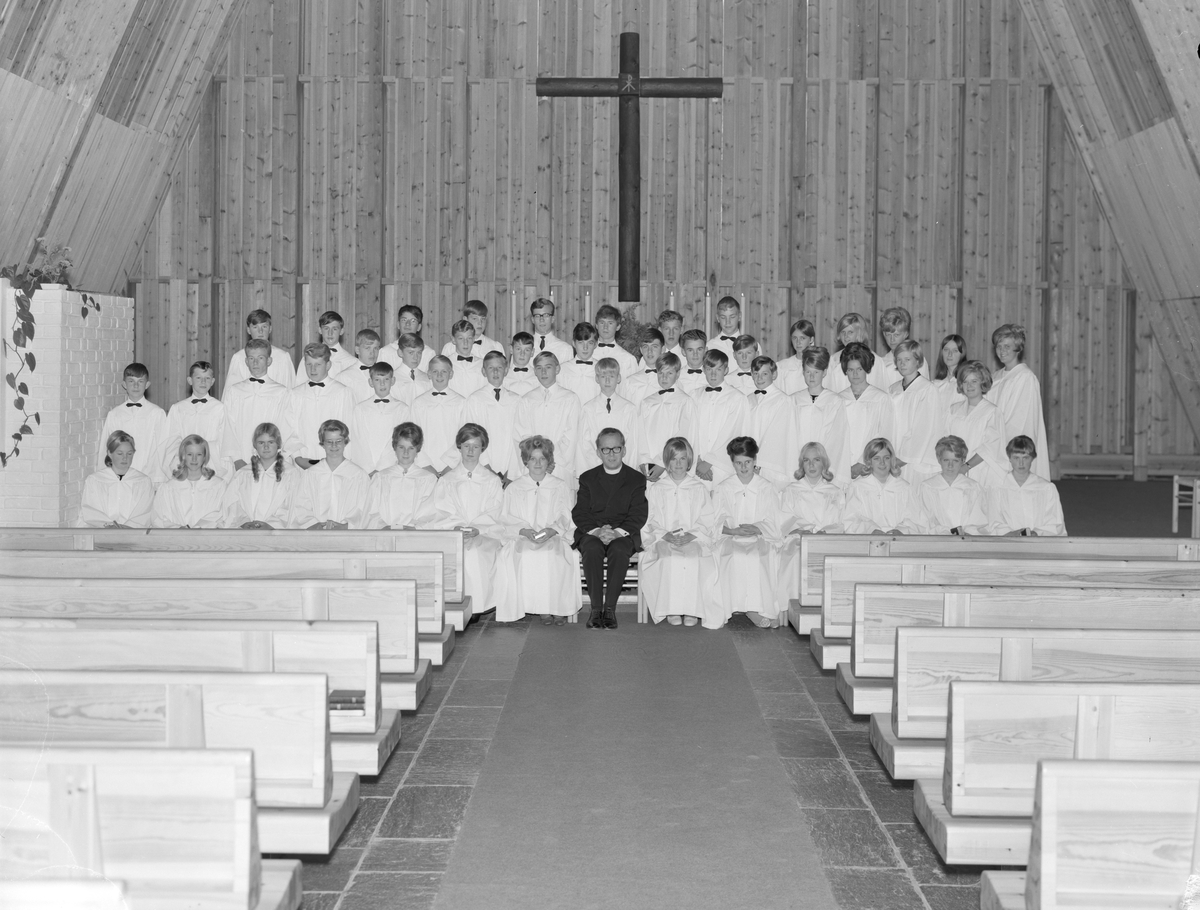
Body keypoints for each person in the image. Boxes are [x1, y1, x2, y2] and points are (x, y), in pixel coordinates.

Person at [495, 436, 581, 625]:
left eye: (542, 458)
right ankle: (542, 608)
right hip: (524, 536)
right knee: (526, 553)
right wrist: (525, 531)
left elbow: (566, 515)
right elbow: (506, 517)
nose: (538, 463)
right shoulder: (515, 487)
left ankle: (558, 608)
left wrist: (553, 530)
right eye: (533, 458)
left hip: (553, 535)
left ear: (549, 461)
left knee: (555, 554)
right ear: (526, 461)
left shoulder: (559, 485)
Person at [640, 437, 721, 628]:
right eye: (674, 459)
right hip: (664, 538)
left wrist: (692, 535)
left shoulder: (698, 488)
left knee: (692, 558)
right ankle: (673, 608)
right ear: (667, 462)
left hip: (693, 538)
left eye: (682, 459)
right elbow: (649, 520)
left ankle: (692, 610)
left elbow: (707, 519)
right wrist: (664, 534)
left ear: (689, 461)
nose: (678, 464)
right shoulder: (657, 488)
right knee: (670, 559)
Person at [573, 428, 649, 630]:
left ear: (624, 450)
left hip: (623, 532)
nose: (612, 454)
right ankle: (596, 609)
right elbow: (580, 512)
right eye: (606, 449)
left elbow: (638, 514)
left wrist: (616, 532)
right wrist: (597, 531)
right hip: (592, 532)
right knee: (592, 548)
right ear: (598, 452)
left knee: (619, 549)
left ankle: (610, 609)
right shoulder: (587, 478)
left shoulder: (636, 479)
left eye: (616, 448)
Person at [429, 423, 506, 613]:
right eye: (466, 446)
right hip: (453, 533)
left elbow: (496, 510)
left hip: (485, 533)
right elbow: (440, 509)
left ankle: (478, 606)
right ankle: (452, 605)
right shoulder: (447, 480)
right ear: (459, 447)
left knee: (473, 553)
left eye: (476, 446)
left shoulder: (491, 480)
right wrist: (456, 527)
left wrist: (478, 528)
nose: (471, 451)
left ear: (482, 449)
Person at [713, 436, 783, 628]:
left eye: (748, 462)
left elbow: (775, 521)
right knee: (734, 554)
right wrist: (731, 529)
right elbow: (714, 521)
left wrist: (757, 528)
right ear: (732, 463)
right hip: (731, 537)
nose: (743, 468)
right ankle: (738, 607)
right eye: (738, 463)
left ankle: (758, 608)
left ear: (755, 461)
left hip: (759, 537)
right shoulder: (724, 488)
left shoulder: (766, 488)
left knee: (757, 555)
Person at [777, 442, 846, 615]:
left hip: (828, 539)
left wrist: (826, 532)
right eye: (806, 461)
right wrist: (801, 530)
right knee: (796, 556)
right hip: (799, 538)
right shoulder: (792, 490)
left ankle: (830, 612)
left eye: (816, 460)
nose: (811, 465)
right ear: (802, 464)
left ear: (824, 462)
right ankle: (790, 610)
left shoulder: (835, 492)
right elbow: (785, 518)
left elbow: (842, 521)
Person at [988, 324, 1050, 479]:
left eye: (1007, 346)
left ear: (1018, 348)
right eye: (999, 346)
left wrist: (994, 441)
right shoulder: (996, 376)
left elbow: (1019, 421)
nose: (1002, 351)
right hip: (993, 438)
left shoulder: (1025, 377)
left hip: (1009, 444)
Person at [220, 339, 292, 468]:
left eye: (260, 358)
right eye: (251, 358)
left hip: (271, 461)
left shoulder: (280, 392)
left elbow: (284, 427)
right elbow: (228, 426)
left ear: (269, 361)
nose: (255, 362)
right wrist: (237, 460)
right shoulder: (235, 391)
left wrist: (274, 459)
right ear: (246, 361)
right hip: (241, 460)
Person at [285, 343, 357, 469]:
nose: (313, 369)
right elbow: (289, 428)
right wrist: (298, 458)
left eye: (318, 365)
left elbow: (349, 429)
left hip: (335, 463)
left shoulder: (342, 392)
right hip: (303, 463)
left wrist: (340, 461)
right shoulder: (295, 394)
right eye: (309, 364)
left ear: (328, 365)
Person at [96, 362, 169, 483]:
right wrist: (103, 477)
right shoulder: (115, 414)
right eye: (131, 381)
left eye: (140, 381)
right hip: (120, 475)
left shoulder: (156, 413)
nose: (136, 385)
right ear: (124, 384)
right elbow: (106, 446)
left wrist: (158, 479)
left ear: (147, 385)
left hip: (149, 476)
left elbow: (162, 448)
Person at [221, 422, 303, 529]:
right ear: (255, 445)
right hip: (245, 532)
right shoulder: (243, 474)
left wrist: (271, 525)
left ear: (278, 444)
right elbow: (232, 504)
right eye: (261, 443)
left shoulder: (291, 474)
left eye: (271, 442)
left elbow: (293, 507)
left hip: (277, 534)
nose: (266, 447)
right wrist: (243, 522)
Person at [515, 352, 582, 482]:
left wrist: (549, 460)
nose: (543, 372)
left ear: (557, 369)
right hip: (533, 467)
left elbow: (571, 435)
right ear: (535, 371)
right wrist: (537, 460)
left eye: (548, 367)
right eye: (539, 368)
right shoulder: (527, 400)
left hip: (560, 466)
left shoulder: (570, 398)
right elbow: (522, 434)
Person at [294, 419, 371, 529]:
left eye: (338, 441)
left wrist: (347, 526)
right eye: (329, 441)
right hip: (315, 536)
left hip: (348, 537)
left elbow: (364, 508)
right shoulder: (311, 474)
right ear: (323, 444)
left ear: (345, 442)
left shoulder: (358, 475)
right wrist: (312, 524)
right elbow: (300, 506)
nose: (334, 445)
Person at [791, 346, 851, 484]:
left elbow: (838, 439)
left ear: (824, 372)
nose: (811, 376)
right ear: (803, 372)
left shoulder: (835, 401)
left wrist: (821, 463)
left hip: (825, 468)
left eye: (816, 372)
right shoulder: (793, 400)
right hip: (799, 466)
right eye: (808, 372)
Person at [842, 437, 928, 534]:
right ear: (868, 461)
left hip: (898, 541)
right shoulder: (857, 487)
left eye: (886, 458)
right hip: (867, 541)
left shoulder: (904, 488)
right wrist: (871, 530)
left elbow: (918, 521)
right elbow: (850, 520)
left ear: (892, 460)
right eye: (876, 458)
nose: (882, 463)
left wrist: (901, 531)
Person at [689, 349, 749, 487]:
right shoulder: (694, 396)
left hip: (723, 466)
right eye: (709, 369)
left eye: (719, 369)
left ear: (726, 370)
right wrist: (697, 461)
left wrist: (709, 462)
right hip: (696, 467)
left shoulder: (737, 398)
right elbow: (690, 430)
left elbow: (732, 433)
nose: (713, 373)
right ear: (703, 369)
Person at [986, 435, 1066, 536]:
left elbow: (1055, 522)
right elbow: (993, 519)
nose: (1021, 463)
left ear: (1032, 458)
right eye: (1016, 458)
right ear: (1009, 458)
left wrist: (1036, 533)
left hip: (1038, 542)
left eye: (1025, 458)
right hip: (1007, 542)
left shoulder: (1046, 488)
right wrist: (1009, 533)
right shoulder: (997, 487)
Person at [838, 343, 895, 481]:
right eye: (851, 370)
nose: (855, 374)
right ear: (845, 370)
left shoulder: (880, 398)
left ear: (867, 369)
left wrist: (862, 462)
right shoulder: (838, 399)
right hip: (843, 466)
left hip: (870, 466)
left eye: (859, 369)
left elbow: (884, 433)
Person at [946, 360, 1008, 488]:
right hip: (955, 468)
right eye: (965, 381)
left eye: (974, 381)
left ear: (983, 383)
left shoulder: (992, 412)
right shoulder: (954, 410)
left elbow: (991, 447)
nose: (969, 386)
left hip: (981, 470)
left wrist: (967, 466)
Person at [365, 423, 439, 529]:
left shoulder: (428, 479)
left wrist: (415, 528)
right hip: (385, 535)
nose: (405, 452)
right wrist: (383, 527)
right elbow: (371, 511)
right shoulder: (381, 478)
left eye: (411, 448)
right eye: (401, 447)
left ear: (418, 449)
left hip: (414, 537)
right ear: (394, 447)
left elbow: (430, 513)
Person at [163, 360, 228, 480]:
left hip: (211, 463)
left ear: (213, 381)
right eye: (198, 378)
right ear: (189, 380)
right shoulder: (178, 408)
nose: (203, 382)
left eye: (207, 378)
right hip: (184, 464)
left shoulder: (220, 408)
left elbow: (224, 440)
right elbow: (171, 440)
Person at [636, 353, 697, 481]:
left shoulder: (685, 401)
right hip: (648, 467)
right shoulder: (647, 401)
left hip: (671, 464)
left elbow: (684, 434)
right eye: (660, 373)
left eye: (669, 373)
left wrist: (662, 463)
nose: (664, 377)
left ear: (678, 374)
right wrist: (644, 462)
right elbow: (640, 434)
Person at [888, 339, 943, 483]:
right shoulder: (893, 389)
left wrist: (900, 459)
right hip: (894, 457)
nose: (902, 363)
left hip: (916, 462)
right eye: (899, 359)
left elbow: (923, 430)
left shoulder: (927, 389)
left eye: (907, 359)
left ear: (917, 361)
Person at [465, 351, 522, 481]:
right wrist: (487, 468)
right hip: (483, 468)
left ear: (506, 370)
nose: (495, 372)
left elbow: (519, 436)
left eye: (499, 368)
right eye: (491, 368)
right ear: (484, 371)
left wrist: (511, 471)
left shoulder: (517, 400)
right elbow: (472, 437)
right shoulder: (474, 400)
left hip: (511, 470)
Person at [576, 358, 640, 474]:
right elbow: (584, 444)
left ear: (618, 378)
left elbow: (633, 444)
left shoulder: (629, 408)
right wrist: (593, 470)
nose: (607, 380)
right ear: (597, 379)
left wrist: (629, 471)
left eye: (611, 376)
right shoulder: (588, 408)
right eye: (603, 376)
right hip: (595, 469)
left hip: (623, 469)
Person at [79, 430, 155, 528]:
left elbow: (145, 511)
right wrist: (110, 526)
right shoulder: (95, 480)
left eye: (129, 453)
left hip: (133, 533)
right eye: (120, 453)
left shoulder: (143, 481)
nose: (125, 458)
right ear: (110, 453)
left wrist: (127, 528)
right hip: (103, 532)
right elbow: (90, 510)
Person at [916, 436, 989, 535]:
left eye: (955, 460)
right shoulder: (927, 487)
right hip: (937, 541)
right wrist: (946, 533)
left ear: (963, 460)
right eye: (946, 460)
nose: (950, 465)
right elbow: (924, 522)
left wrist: (966, 533)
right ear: (939, 459)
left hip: (967, 542)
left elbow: (979, 520)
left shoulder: (973, 487)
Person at [746, 356, 799, 489]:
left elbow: (778, 436)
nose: (759, 378)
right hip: (748, 463)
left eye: (765, 374)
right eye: (756, 374)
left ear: (774, 374)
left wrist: (758, 462)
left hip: (770, 465)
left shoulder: (783, 400)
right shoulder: (748, 400)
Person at [151, 434, 226, 528]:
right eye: (190, 454)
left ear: (204, 457)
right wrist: (177, 529)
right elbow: (158, 518)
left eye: (199, 454)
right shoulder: (169, 487)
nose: (194, 459)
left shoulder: (218, 485)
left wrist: (200, 528)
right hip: (177, 539)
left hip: (208, 538)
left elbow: (222, 515)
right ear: (183, 456)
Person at [410, 355, 468, 475]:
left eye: (444, 371)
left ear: (451, 374)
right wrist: (426, 465)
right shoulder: (419, 403)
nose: (439, 375)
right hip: (425, 467)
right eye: (435, 371)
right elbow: (414, 437)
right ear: (429, 374)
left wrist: (450, 465)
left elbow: (464, 437)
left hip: (453, 467)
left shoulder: (461, 402)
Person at [347, 362, 408, 474]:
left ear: (393, 381)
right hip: (365, 469)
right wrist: (368, 469)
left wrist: (382, 468)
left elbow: (398, 440)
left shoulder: (402, 409)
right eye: (377, 380)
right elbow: (358, 440)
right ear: (370, 382)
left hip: (391, 468)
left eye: (386, 379)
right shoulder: (360, 408)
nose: (382, 384)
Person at [225, 309, 295, 389]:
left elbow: (290, 391)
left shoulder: (282, 357)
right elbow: (230, 392)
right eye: (255, 327)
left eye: (264, 327)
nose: (260, 331)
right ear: (248, 330)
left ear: (270, 329)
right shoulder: (238, 358)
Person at [825, 313, 887, 393]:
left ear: (859, 333)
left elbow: (882, 391)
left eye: (850, 332)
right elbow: (829, 392)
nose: (846, 336)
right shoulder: (834, 360)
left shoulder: (875, 360)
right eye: (843, 332)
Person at [295, 310, 357, 383]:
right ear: (320, 330)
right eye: (326, 328)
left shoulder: (351, 362)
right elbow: (299, 386)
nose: (330, 333)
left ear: (341, 331)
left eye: (334, 329)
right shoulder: (308, 358)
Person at [379, 305, 436, 372]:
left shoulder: (428, 353)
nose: (407, 324)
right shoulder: (385, 352)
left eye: (413, 321)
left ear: (419, 327)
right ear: (398, 324)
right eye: (404, 320)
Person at [440, 299, 505, 358]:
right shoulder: (450, 347)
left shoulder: (495, 347)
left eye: (483, 319)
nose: (480, 323)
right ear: (465, 319)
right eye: (474, 318)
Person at [558, 322, 602, 405]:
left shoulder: (602, 369)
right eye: (581, 342)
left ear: (595, 344)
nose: (585, 348)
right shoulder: (563, 370)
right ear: (574, 343)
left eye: (590, 343)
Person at [446, 319, 489, 399]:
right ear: (453, 340)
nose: (465, 343)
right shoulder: (446, 364)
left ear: (473, 339)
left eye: (469, 338)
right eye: (461, 338)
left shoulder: (482, 364)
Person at [593, 304, 639, 378]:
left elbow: (633, 387)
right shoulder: (588, 355)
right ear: (597, 325)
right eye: (602, 322)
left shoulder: (628, 359)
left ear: (618, 327)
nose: (605, 327)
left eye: (610, 323)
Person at [622, 328, 666, 406]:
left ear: (662, 349)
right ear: (641, 350)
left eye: (654, 346)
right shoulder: (630, 382)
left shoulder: (670, 381)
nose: (650, 351)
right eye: (645, 346)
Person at [340, 328, 385, 404]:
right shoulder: (345, 377)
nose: (372, 353)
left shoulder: (385, 375)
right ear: (357, 350)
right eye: (368, 348)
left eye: (375, 348)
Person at [390, 332, 433, 405]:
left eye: (419, 353)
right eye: (411, 352)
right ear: (400, 352)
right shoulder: (393, 379)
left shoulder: (427, 379)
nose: (415, 357)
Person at [776, 318, 818, 393]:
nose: (798, 342)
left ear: (811, 339)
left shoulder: (819, 365)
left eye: (802, 338)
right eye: (795, 338)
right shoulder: (782, 367)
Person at [528, 297, 574, 363]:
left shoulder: (565, 349)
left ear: (552, 319)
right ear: (532, 319)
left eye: (546, 315)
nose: (542, 320)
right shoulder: (522, 348)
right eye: (537, 316)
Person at [876, 306, 912, 387]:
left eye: (896, 335)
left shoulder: (917, 360)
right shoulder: (881, 363)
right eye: (888, 335)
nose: (892, 339)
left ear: (906, 334)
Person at [932, 334, 967, 410]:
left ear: (962, 354)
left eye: (955, 351)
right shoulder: (935, 384)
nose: (949, 354)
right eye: (946, 350)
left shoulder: (967, 382)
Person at [503, 331, 541, 396]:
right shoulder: (503, 375)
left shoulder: (538, 376)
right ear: (511, 349)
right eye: (518, 349)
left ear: (532, 352)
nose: (522, 354)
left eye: (527, 350)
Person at [708, 296, 743, 362]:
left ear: (739, 316)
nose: (728, 322)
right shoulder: (710, 346)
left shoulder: (751, 346)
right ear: (718, 318)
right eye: (723, 317)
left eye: (732, 317)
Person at [676, 329, 709, 395]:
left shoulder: (712, 375)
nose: (695, 354)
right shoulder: (677, 377)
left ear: (705, 350)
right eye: (690, 350)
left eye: (699, 349)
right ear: (683, 352)